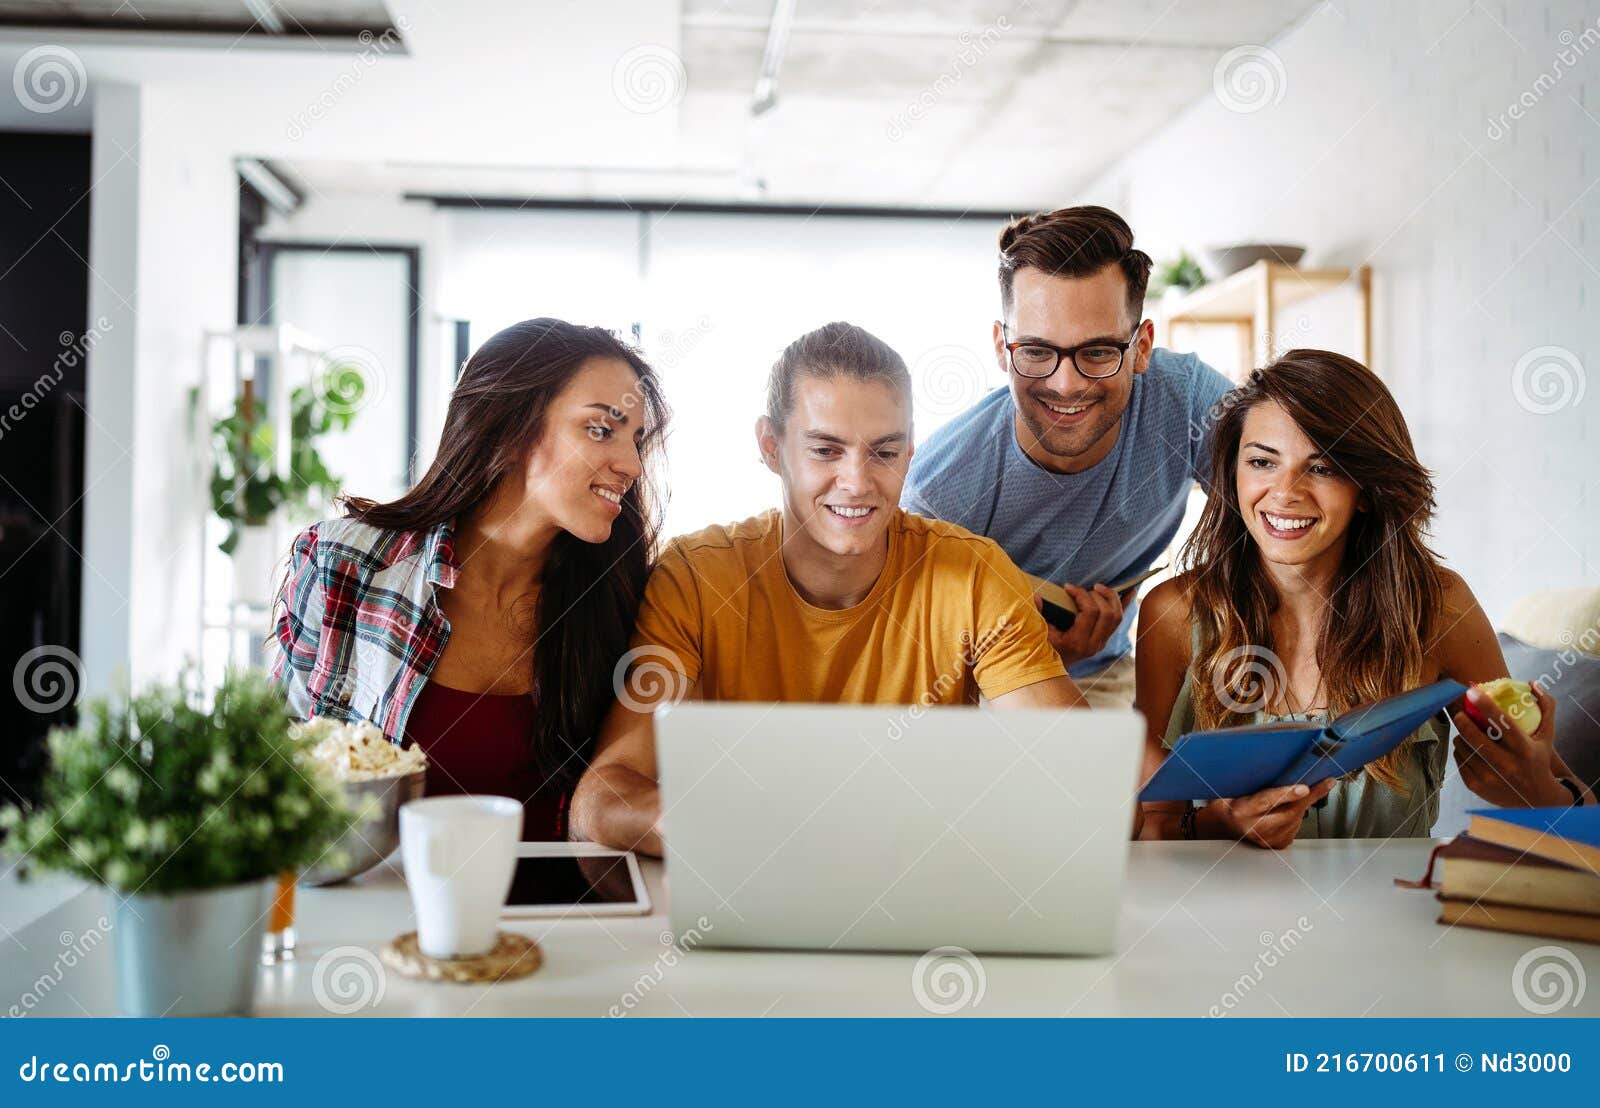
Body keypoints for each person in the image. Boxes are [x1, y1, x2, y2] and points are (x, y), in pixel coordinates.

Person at [569, 322, 1088, 855]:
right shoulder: (697, 577)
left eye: (884, 453)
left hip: (914, 892)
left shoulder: (974, 575)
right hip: (741, 883)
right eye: (825, 450)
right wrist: (707, 827)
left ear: (911, 452)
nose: (857, 482)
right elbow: (603, 796)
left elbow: (1075, 772)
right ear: (771, 446)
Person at [1135, 349, 1594, 847]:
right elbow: (1150, 831)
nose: (1285, 492)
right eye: (1262, 461)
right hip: (1223, 920)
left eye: (1323, 468)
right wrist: (1224, 826)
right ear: (1232, 471)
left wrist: (1538, 788)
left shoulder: (1439, 606)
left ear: (1367, 487)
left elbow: (1578, 819)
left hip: (1395, 916)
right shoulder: (1174, 613)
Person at [270, 318, 670, 841]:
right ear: (509, 428)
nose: (632, 464)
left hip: (574, 922)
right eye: (600, 429)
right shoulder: (343, 566)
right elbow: (273, 779)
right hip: (391, 919)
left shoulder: (630, 598)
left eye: (636, 439)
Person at [902, 205, 1234, 709]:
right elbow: (918, 660)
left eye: (1098, 352)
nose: (1066, 385)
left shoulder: (1185, 398)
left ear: (1141, 347)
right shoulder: (938, 490)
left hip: (1109, 671)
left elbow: (1274, 497)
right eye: (1036, 352)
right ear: (1001, 346)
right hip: (975, 688)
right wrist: (1034, 658)